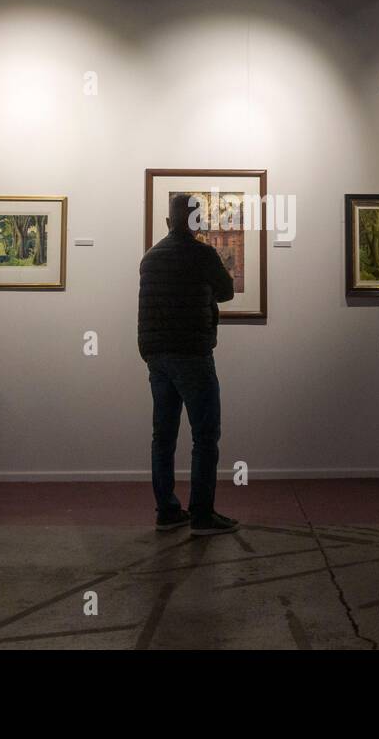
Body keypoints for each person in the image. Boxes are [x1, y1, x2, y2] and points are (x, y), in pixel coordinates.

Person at [138, 193, 239, 536]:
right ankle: (201, 515)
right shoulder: (203, 254)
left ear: (168, 222)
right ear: (197, 223)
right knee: (205, 436)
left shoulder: (150, 258)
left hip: (157, 357)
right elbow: (227, 291)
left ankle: (166, 510)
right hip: (193, 355)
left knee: (163, 436)